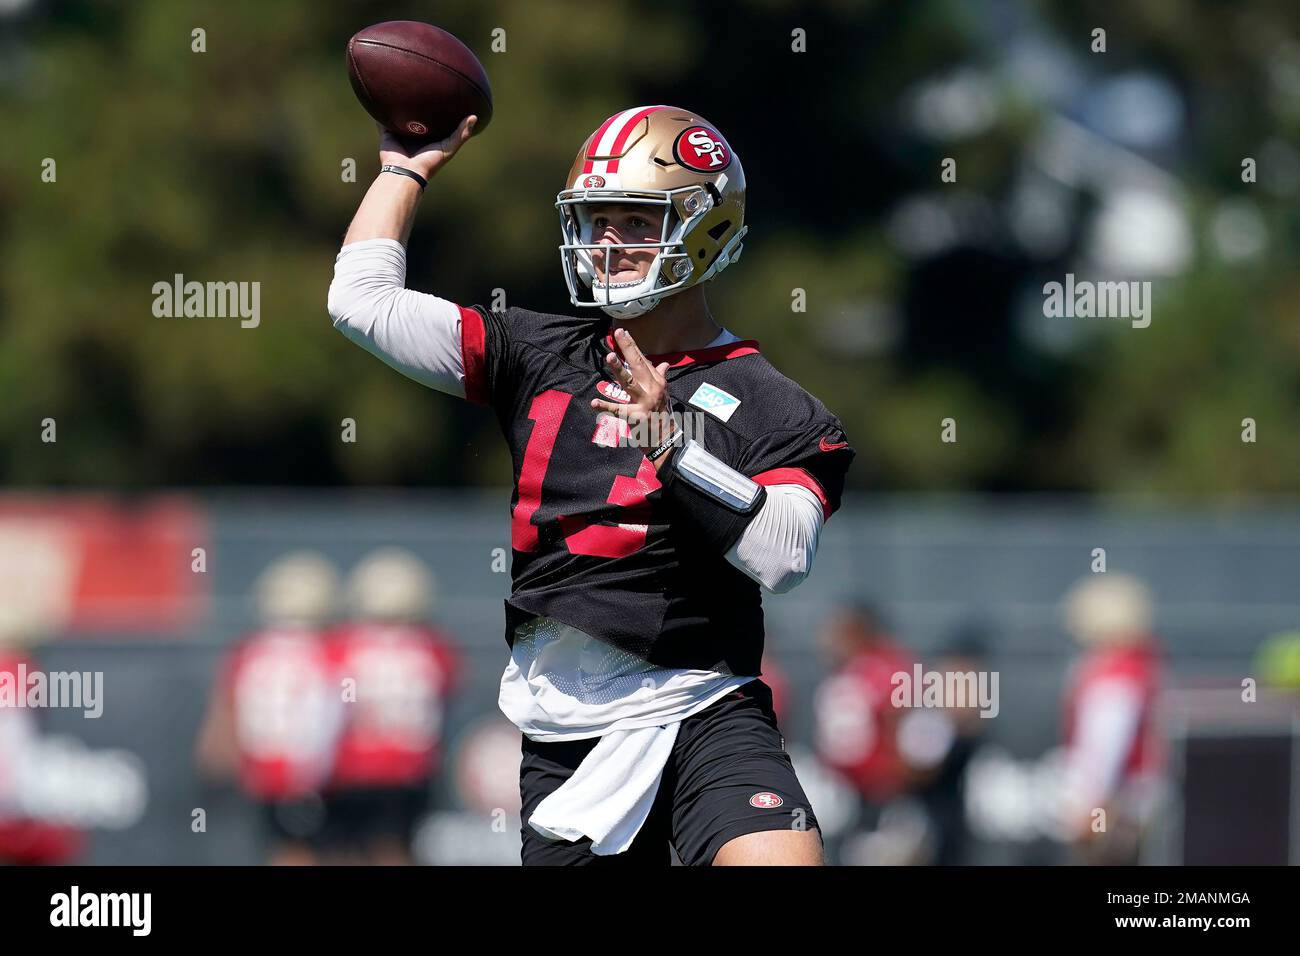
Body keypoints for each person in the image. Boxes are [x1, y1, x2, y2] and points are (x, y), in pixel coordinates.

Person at [328, 105, 856, 866]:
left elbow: (784, 556)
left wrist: (671, 446)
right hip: (566, 729)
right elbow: (360, 303)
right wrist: (403, 169)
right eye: (595, 218)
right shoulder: (539, 351)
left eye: (635, 220)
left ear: (704, 226)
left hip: (702, 702)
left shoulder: (772, 403)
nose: (607, 242)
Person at [195, 551, 344, 865]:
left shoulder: (249, 651)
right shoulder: (329, 651)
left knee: (286, 850)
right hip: (313, 774)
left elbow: (222, 720)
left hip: (266, 773)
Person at [324, 548, 459, 865]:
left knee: (347, 851)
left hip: (354, 768)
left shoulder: (344, 644)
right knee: (398, 849)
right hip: (410, 769)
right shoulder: (433, 647)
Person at [1059, 573, 1164, 865]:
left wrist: (1088, 804)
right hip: (1135, 803)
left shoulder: (1116, 674)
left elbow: (1104, 742)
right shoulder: (1140, 665)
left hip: (1118, 807)